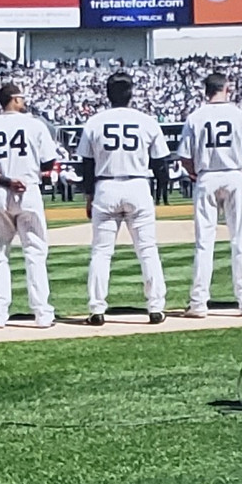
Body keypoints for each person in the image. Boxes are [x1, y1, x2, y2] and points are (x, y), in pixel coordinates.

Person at [76, 71, 170, 325]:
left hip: (105, 186)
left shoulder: (95, 122)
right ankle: (156, 307)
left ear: (107, 94)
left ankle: (96, 309)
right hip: (138, 184)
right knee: (147, 249)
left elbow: (86, 165)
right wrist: (160, 194)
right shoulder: (147, 120)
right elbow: (161, 164)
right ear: (131, 94)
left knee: (101, 252)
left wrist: (89, 196)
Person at [0, 82, 58, 328]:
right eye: (21, 98)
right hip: (28, 190)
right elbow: (49, 161)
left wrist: (6, 179)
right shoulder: (34, 124)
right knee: (35, 253)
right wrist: (27, 174)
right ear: (14, 99)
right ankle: (42, 314)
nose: (24, 101)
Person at [179, 72, 242, 318]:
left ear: (205, 90)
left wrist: (195, 173)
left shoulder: (196, 116)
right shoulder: (239, 114)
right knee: (240, 239)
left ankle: (198, 303)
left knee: (204, 242)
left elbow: (185, 157)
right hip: (233, 174)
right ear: (227, 88)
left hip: (207, 176)